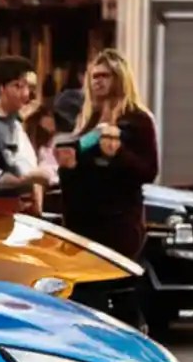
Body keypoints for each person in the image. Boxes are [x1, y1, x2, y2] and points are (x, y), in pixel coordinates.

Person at [55, 49, 158, 263]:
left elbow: (149, 171)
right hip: (82, 225)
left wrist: (118, 153)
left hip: (118, 224)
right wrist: (67, 167)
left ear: (119, 79)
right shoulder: (87, 122)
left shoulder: (137, 120)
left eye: (105, 76)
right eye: (95, 76)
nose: (98, 81)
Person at [0, 56, 54, 216]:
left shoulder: (16, 123)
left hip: (24, 216)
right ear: (0, 88)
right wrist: (27, 178)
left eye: (29, 87)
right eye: (18, 86)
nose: (26, 94)